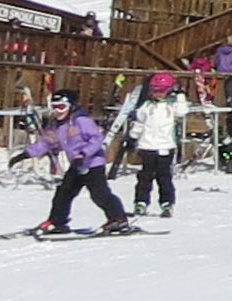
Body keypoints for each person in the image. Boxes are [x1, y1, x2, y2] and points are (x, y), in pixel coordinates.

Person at [19, 90, 130, 235]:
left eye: (61, 107)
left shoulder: (81, 121)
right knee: (63, 193)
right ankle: (57, 222)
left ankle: (118, 219)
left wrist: (83, 154)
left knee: (99, 194)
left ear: (71, 106)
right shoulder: (58, 124)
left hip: (92, 164)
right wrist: (26, 153)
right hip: (77, 166)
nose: (57, 111)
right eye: (54, 107)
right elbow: (48, 142)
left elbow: (96, 139)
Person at [128, 73, 190, 218]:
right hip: (147, 146)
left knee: (164, 177)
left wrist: (181, 96)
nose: (158, 94)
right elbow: (140, 123)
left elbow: (182, 112)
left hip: (165, 146)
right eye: (155, 90)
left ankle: (166, 203)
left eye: (161, 91)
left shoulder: (171, 106)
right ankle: (141, 202)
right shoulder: (146, 106)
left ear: (169, 90)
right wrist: (133, 137)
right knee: (145, 177)